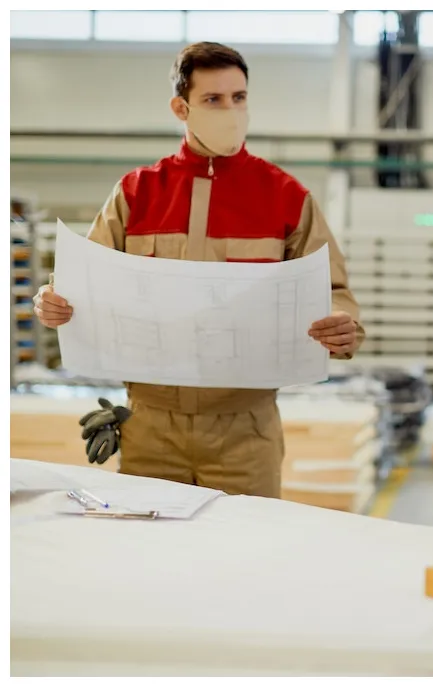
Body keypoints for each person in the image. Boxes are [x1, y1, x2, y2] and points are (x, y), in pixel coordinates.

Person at [32, 42, 365, 498]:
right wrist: (53, 304)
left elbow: (334, 291)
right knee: (150, 557)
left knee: (240, 560)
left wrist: (344, 326)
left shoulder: (286, 197)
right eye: (213, 100)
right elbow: (79, 284)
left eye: (239, 98)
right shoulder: (136, 192)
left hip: (246, 431)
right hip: (150, 425)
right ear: (181, 107)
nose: (230, 110)